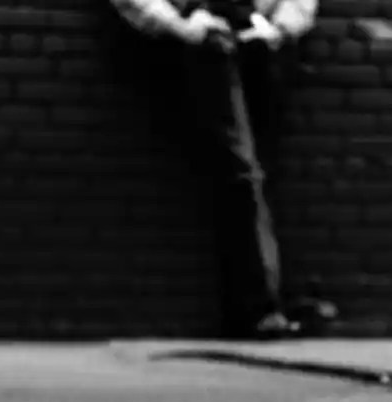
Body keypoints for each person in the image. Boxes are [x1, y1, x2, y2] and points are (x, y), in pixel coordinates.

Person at [108, 0, 337, 339]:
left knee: (254, 173)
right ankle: (260, 308)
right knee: (242, 172)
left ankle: (257, 304)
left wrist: (278, 29)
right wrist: (178, 26)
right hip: (207, 43)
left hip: (257, 42)